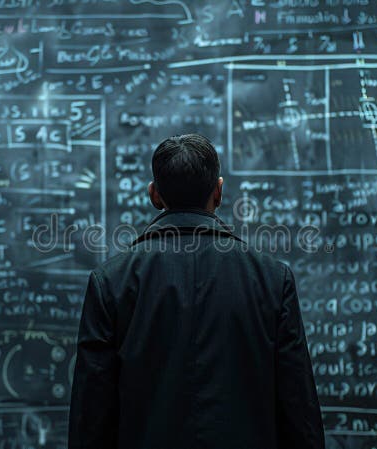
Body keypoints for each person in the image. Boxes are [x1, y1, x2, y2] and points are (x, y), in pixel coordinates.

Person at [68, 134, 325, 449]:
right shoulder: (272, 278)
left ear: (154, 195)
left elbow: (91, 417)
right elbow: (299, 411)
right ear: (218, 191)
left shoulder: (110, 281)